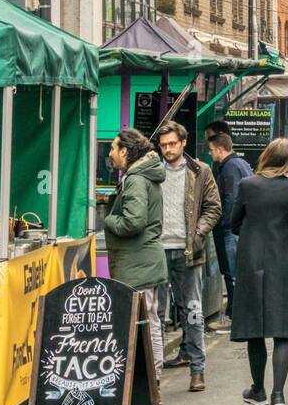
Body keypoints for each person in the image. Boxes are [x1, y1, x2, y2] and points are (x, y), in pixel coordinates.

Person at [230, 138, 288, 405]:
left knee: (255, 329)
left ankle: (258, 389)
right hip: (284, 263)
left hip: (251, 262)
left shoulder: (247, 185)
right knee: (282, 330)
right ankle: (278, 395)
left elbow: (233, 222)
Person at [156, 122, 221, 391]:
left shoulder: (200, 171)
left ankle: (197, 370)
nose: (168, 149)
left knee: (192, 311)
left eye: (172, 144)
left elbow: (214, 208)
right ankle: (154, 375)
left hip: (189, 250)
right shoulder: (152, 171)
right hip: (156, 251)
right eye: (163, 145)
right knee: (155, 314)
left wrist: (198, 231)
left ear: (183, 143)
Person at [104, 129, 168, 378]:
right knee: (148, 320)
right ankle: (151, 377)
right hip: (142, 262)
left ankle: (150, 378)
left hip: (139, 263)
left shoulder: (136, 179)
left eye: (112, 148)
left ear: (125, 151)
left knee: (145, 322)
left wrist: (110, 220)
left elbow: (133, 222)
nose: (110, 153)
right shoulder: (141, 176)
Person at [208, 131, 253, 325]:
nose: (210, 154)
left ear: (220, 149)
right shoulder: (241, 163)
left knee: (232, 273)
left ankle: (235, 316)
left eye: (211, 150)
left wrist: (226, 223)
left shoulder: (229, 168)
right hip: (243, 227)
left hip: (232, 230)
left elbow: (231, 198)